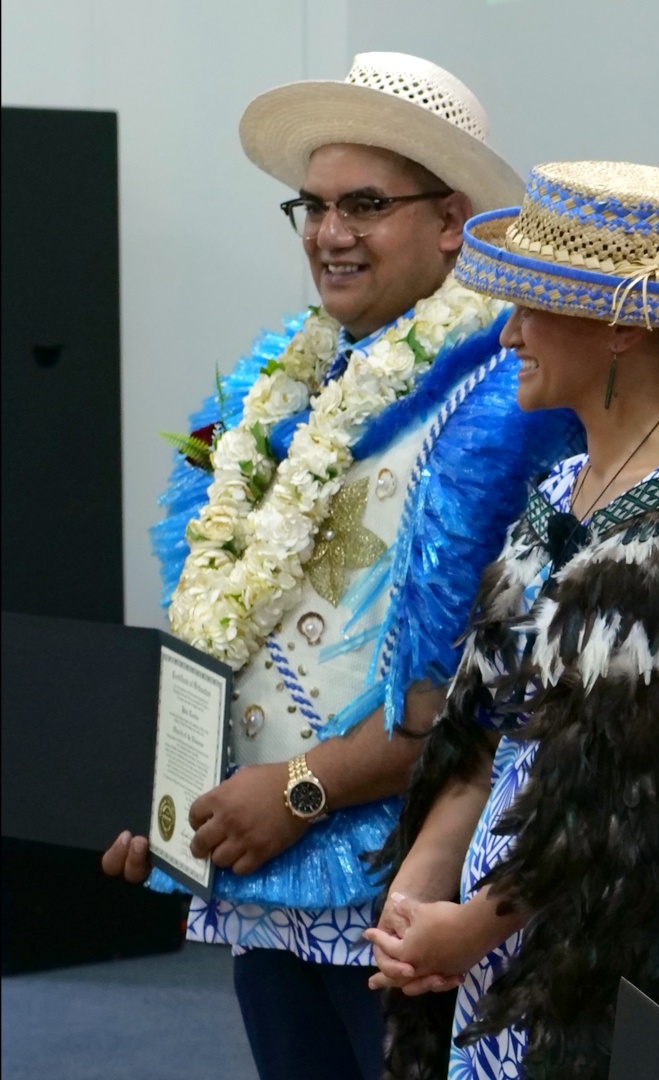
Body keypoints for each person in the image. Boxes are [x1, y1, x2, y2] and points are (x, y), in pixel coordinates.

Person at [99, 52, 572, 1080]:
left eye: (364, 204)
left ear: (453, 222)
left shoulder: (515, 397)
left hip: (410, 886)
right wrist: (168, 795)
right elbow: (214, 611)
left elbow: (503, 678)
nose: (328, 233)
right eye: (311, 206)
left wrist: (303, 790)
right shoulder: (267, 386)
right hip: (260, 878)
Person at [361, 160, 659, 1080]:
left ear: (623, 328)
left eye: (534, 305)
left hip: (593, 961)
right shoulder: (563, 484)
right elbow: (482, 722)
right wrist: (417, 894)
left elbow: (631, 803)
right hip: (495, 943)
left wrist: (469, 927)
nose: (509, 332)